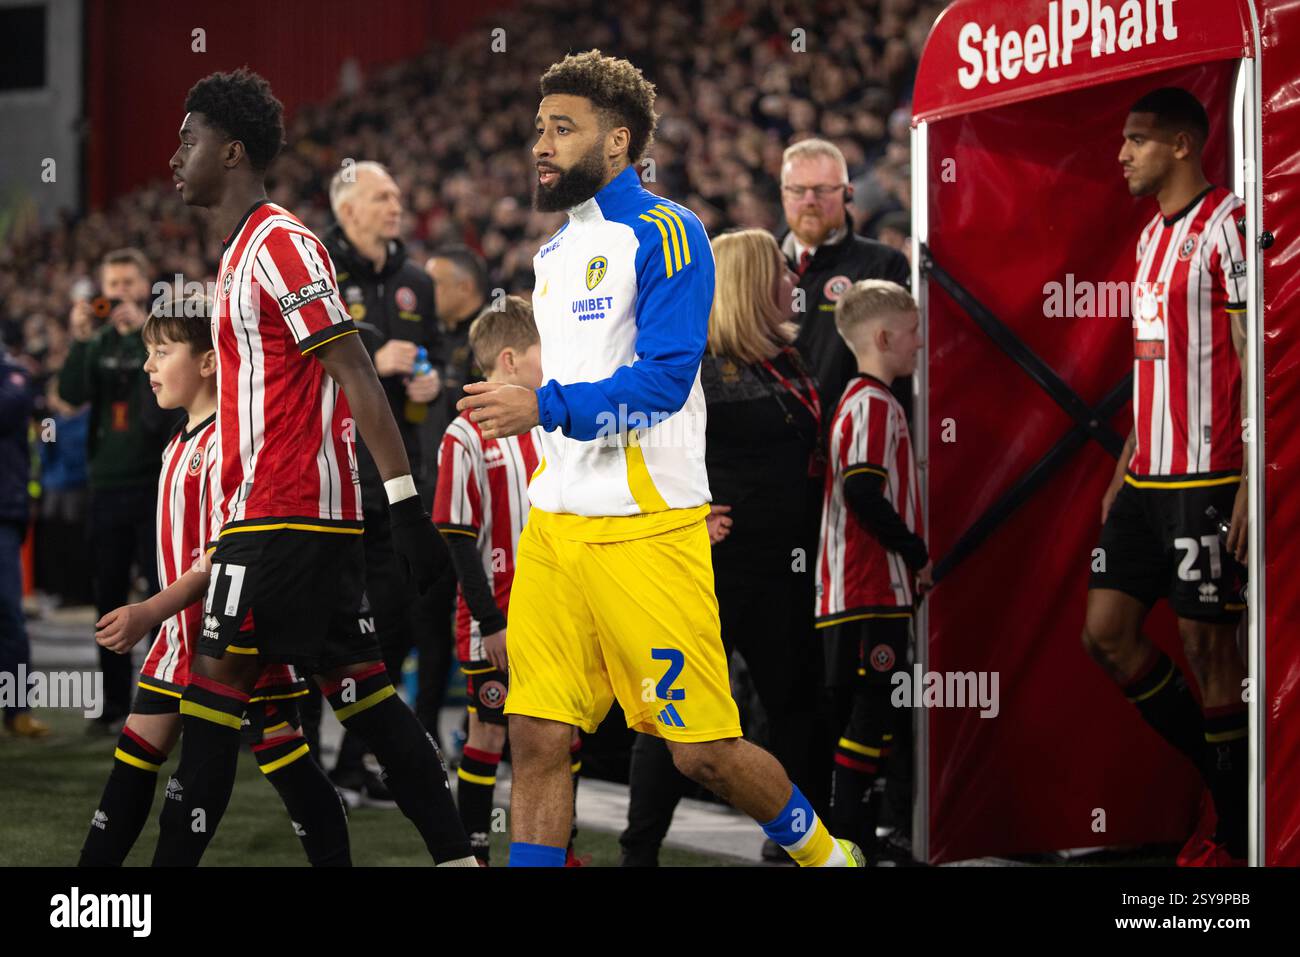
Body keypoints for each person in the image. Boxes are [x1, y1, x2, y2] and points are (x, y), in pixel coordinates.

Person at [459, 50, 862, 867]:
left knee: (701, 750)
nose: (541, 144)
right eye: (539, 128)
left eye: (562, 130)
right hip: (556, 529)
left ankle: (829, 856)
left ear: (617, 144)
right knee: (535, 734)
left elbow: (668, 381)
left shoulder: (667, 231)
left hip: (646, 531)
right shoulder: (548, 259)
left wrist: (544, 407)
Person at [151, 67, 472, 867]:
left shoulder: (279, 244)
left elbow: (355, 368)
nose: (173, 156)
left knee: (213, 711)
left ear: (230, 152)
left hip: (279, 516)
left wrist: (405, 507)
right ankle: (462, 859)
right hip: (301, 519)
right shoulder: (244, 253)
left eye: (187, 140)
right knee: (367, 702)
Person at [81, 301, 350, 867]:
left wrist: (150, 609)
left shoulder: (234, 444)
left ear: (209, 361)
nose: (148, 367)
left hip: (228, 640)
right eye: (146, 354)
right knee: (132, 765)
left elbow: (224, 554)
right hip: (176, 641)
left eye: (162, 352)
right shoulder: (177, 443)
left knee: (286, 768)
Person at [619, 229, 827, 866]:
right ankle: (640, 850)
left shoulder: (784, 354)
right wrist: (689, 509)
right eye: (781, 271)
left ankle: (799, 841)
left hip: (785, 563)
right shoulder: (698, 361)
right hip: (715, 566)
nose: (794, 281)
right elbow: (637, 437)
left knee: (798, 703)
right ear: (751, 283)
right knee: (681, 712)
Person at [1082, 87, 1250, 867]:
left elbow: (1259, 360)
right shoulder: (1150, 239)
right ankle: (1228, 782)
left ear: (1182, 145)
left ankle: (1239, 829)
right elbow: (1152, 367)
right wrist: (1123, 466)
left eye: (1137, 140)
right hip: (1146, 479)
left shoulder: (1233, 227)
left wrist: (1256, 474)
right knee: (1107, 633)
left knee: (1211, 653)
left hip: (1210, 476)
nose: (1122, 154)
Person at [433, 295, 584, 865]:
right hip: (493, 619)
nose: (555, 359)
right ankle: (475, 853)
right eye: (545, 349)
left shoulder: (549, 421)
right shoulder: (465, 433)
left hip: (555, 612)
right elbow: (456, 535)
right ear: (512, 358)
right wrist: (490, 621)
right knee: (489, 737)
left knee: (561, 735)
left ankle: (560, 849)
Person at [316, 160, 445, 804]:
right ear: (347, 209)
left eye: (397, 193)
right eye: (382, 196)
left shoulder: (418, 281)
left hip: (397, 478)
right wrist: (372, 349)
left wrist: (432, 377)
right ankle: (305, 756)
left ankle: (354, 759)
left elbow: (441, 355)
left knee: (393, 621)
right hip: (330, 471)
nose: (397, 204)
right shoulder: (315, 268)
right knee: (322, 618)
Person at [815, 279, 931, 856]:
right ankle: (850, 842)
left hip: (864, 593)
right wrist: (916, 551)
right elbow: (864, 493)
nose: (920, 344)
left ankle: (858, 838)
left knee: (872, 721)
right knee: (865, 721)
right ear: (884, 337)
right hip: (865, 591)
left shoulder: (865, 402)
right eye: (912, 333)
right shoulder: (872, 404)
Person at [59, 248, 180, 732]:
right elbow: (71, 392)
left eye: (129, 283)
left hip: (154, 480)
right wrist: (81, 341)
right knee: (107, 595)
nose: (121, 293)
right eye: (113, 285)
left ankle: (161, 698)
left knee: (160, 592)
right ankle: (111, 706)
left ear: (145, 284)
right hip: (106, 484)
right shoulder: (97, 340)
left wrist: (139, 336)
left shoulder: (162, 337)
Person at [779, 139, 912, 422]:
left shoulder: (882, 264)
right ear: (783, 194)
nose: (810, 200)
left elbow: (894, 365)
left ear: (848, 194)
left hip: (850, 442)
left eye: (823, 189)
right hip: (774, 450)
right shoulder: (760, 266)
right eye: (798, 190)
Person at [0, 339, 46, 737]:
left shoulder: (15, 378)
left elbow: (8, 409)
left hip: (3, 511)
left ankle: (16, 710)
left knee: (8, 614)